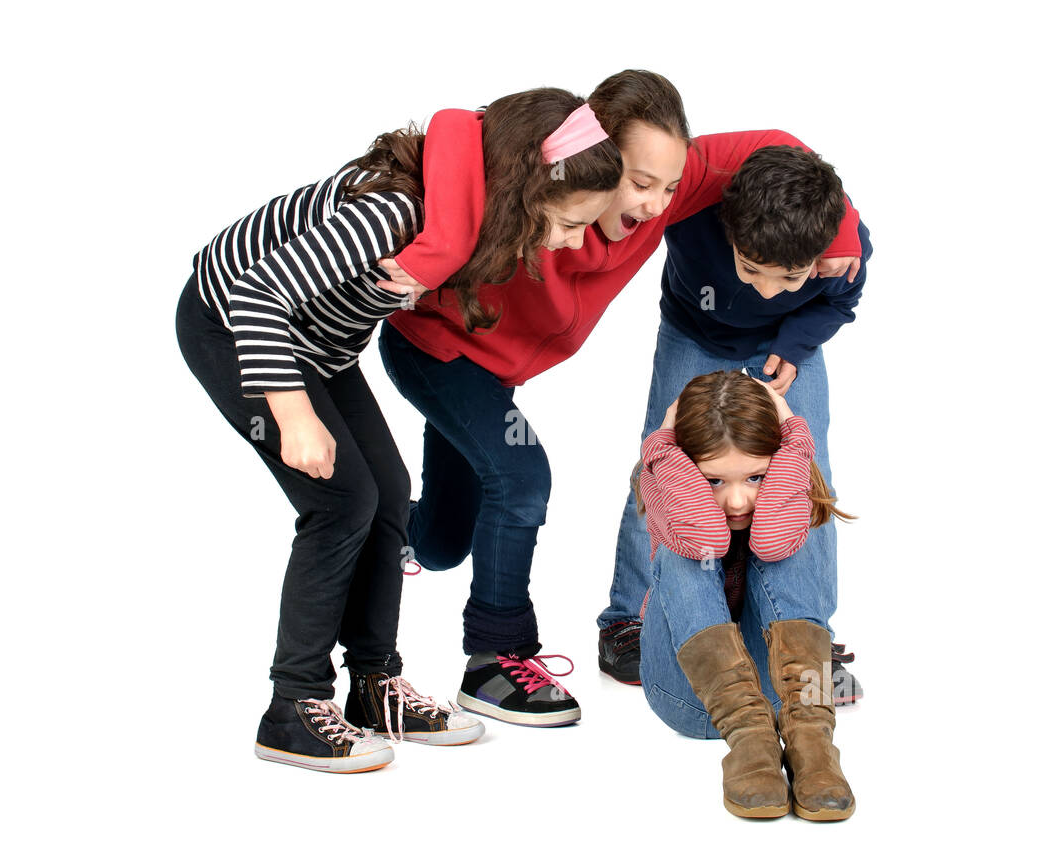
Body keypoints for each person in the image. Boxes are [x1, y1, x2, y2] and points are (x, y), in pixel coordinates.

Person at [374, 70, 864, 726]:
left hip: (495, 372)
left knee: (443, 539)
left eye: (669, 185)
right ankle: (510, 653)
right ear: (597, 155)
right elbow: (456, 127)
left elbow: (782, 153)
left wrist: (837, 235)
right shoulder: (541, 176)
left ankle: (389, 533)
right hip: (437, 346)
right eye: (638, 182)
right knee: (549, 476)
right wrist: (437, 248)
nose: (658, 203)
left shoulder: (670, 187)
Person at [174, 89, 623, 771]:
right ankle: (292, 707)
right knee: (341, 499)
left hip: (317, 348)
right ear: (527, 191)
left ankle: (374, 684)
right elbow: (257, 293)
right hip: (236, 326)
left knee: (388, 492)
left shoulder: (462, 221)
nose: (570, 241)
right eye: (567, 222)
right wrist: (292, 413)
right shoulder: (395, 213)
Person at [598, 142, 871, 702]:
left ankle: (806, 637)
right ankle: (629, 620)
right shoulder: (696, 202)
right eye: (750, 269)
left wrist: (794, 346)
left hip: (783, 347)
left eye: (789, 278)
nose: (765, 289)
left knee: (806, 479)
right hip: (694, 333)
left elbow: (841, 303)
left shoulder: (845, 252)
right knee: (664, 464)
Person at [636, 369, 855, 820]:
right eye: (714, 481)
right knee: (688, 556)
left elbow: (773, 538)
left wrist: (793, 438)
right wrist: (662, 442)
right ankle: (752, 745)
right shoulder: (675, 502)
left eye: (755, 477)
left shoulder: (781, 502)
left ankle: (812, 742)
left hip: (782, 699)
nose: (737, 502)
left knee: (786, 542)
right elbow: (704, 539)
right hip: (693, 701)